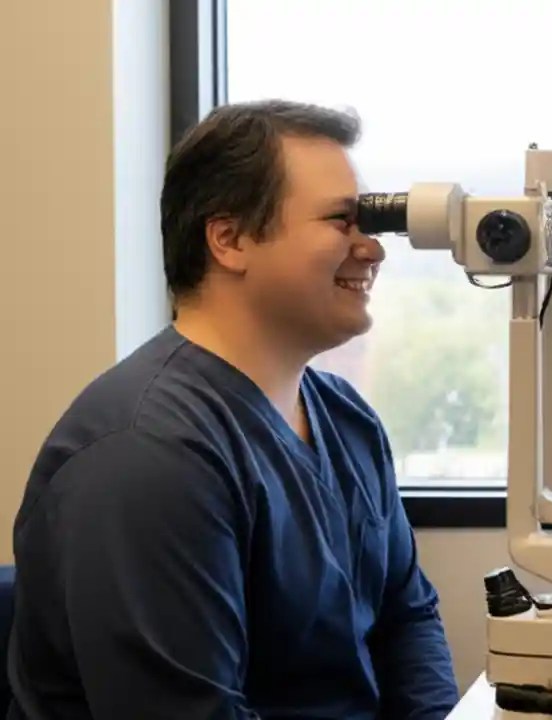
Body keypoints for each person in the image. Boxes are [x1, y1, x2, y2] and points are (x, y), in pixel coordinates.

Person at [7, 100, 460, 719]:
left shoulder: (346, 418)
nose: (373, 250)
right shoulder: (147, 456)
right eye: (341, 222)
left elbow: (406, 620)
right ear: (229, 239)